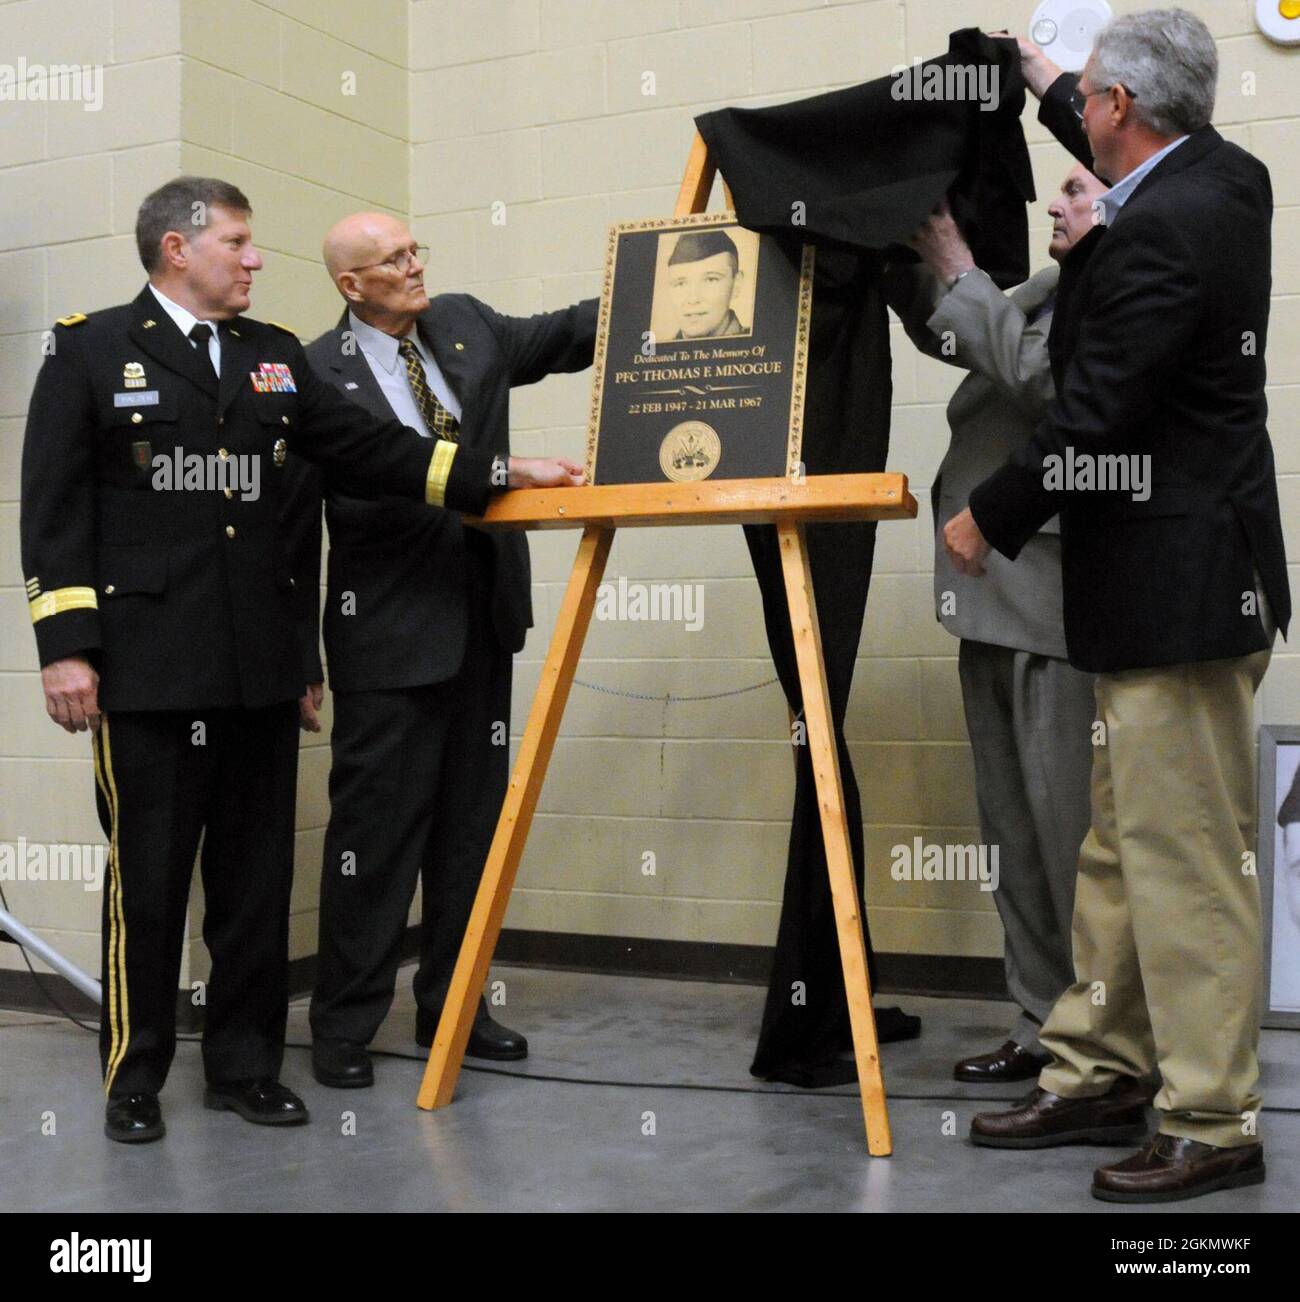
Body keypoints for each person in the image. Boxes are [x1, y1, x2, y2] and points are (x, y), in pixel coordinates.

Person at [19, 177, 584, 1144]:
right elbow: (53, 511)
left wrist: (499, 471)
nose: (254, 259)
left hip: (258, 669)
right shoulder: (90, 349)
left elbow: (369, 451)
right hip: (148, 670)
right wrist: (65, 649)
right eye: (236, 243)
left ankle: (244, 1067)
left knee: (254, 883)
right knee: (150, 883)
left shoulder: (274, 358)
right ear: (176, 252)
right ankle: (135, 1076)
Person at [947, 10, 1291, 1201]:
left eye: (1087, 96)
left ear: (1122, 111)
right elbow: (1126, 151)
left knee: (1185, 861)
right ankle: (1096, 1067)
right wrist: (1042, 75)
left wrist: (984, 514)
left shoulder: (1156, 232)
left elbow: (1093, 412)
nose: (1078, 119)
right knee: (1116, 846)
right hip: (1167, 590)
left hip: (1174, 592)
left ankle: (1210, 1118)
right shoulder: (1223, 176)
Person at [285, 213, 597, 1089]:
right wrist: (301, 659)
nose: (415, 266)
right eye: (394, 260)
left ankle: (456, 1010)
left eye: (416, 250)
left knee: (469, 836)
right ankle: (344, 1024)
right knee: (375, 838)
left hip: (483, 621)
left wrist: (661, 284)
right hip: (384, 634)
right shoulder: (315, 372)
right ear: (351, 285)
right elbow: (290, 526)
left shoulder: (465, 323)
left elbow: (569, 334)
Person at [884, 161, 1108, 1085]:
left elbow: (1048, 387)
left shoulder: (1124, 288)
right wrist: (923, 267)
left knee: (1069, 840)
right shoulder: (1055, 283)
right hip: (992, 599)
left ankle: (1099, 1051)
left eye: (1075, 190)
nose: (1052, 203)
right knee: (1015, 835)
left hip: (1053, 599)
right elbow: (969, 342)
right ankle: (1041, 1024)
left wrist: (954, 259)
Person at [664, 230, 747, 339]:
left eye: (710, 280)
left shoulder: (764, 346)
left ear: (736, 284)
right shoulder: (656, 352)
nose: (693, 299)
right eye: (681, 283)